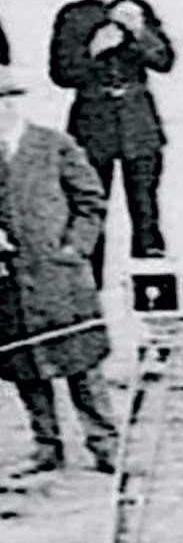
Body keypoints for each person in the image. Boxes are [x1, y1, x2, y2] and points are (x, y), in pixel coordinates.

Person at [0, 105, 116, 478]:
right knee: (25, 364)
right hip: (10, 280)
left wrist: (75, 250)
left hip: (61, 277)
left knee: (81, 359)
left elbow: (91, 203)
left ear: (10, 103)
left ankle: (106, 443)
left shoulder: (54, 145)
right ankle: (46, 446)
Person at [46, 0, 171, 271]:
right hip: (93, 119)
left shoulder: (137, 9)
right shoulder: (72, 16)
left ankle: (151, 283)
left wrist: (140, 31)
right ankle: (91, 283)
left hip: (137, 118)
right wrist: (93, 51)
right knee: (92, 203)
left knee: (145, 208)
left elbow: (164, 61)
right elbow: (61, 73)